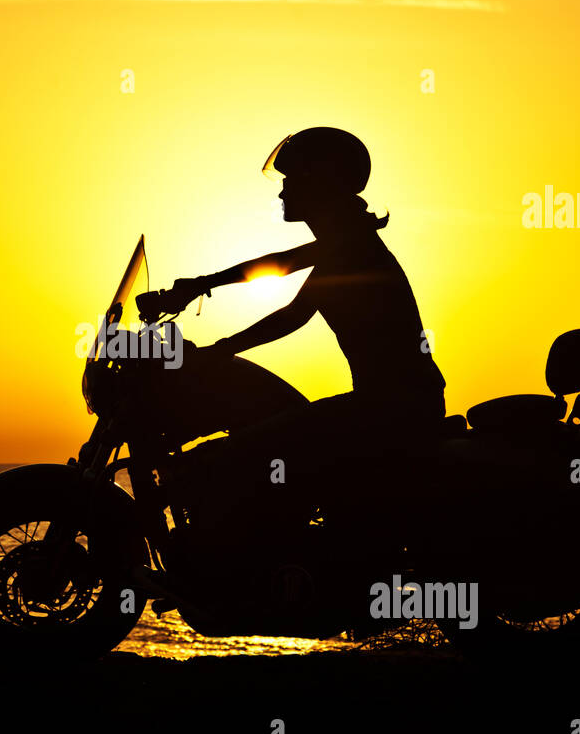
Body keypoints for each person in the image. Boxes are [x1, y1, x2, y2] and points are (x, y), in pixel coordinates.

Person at [162, 128, 447, 587]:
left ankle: (277, 573)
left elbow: (290, 312)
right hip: (395, 404)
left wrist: (216, 349)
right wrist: (199, 286)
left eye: (292, 179)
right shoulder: (345, 242)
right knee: (266, 436)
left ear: (321, 182)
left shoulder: (350, 245)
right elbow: (283, 266)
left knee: (242, 451)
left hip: (392, 408)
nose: (282, 190)